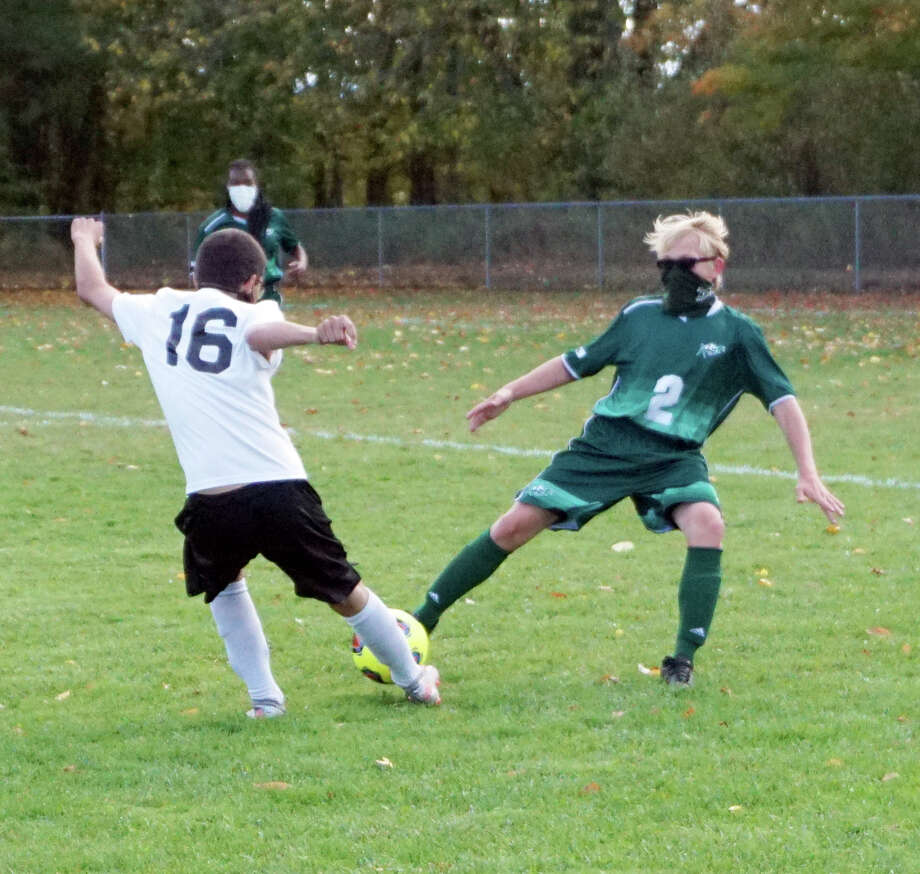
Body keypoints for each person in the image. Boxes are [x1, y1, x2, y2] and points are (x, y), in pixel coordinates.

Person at [413, 211, 844, 687]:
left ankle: (682, 658)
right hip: (606, 445)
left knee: (708, 523)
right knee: (513, 526)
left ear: (716, 267)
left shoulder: (738, 334)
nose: (673, 275)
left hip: (673, 457)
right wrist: (509, 392)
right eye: (665, 265)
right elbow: (575, 363)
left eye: (686, 263)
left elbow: (783, 401)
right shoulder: (639, 316)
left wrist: (807, 471)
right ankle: (417, 623)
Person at [71, 218, 440, 716]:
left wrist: (83, 240)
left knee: (224, 587)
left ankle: (265, 700)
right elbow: (261, 333)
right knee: (344, 592)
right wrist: (315, 334)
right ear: (249, 283)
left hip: (211, 496)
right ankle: (415, 681)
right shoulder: (256, 309)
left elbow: (91, 288)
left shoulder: (158, 308)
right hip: (277, 487)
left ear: (198, 272)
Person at [190, 159, 308, 305]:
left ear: (256, 186)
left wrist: (302, 261)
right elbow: (195, 269)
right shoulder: (213, 226)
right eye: (235, 183)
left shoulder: (273, 217)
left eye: (247, 182)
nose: (241, 188)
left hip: (269, 298)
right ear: (228, 187)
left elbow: (294, 246)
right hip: (230, 300)